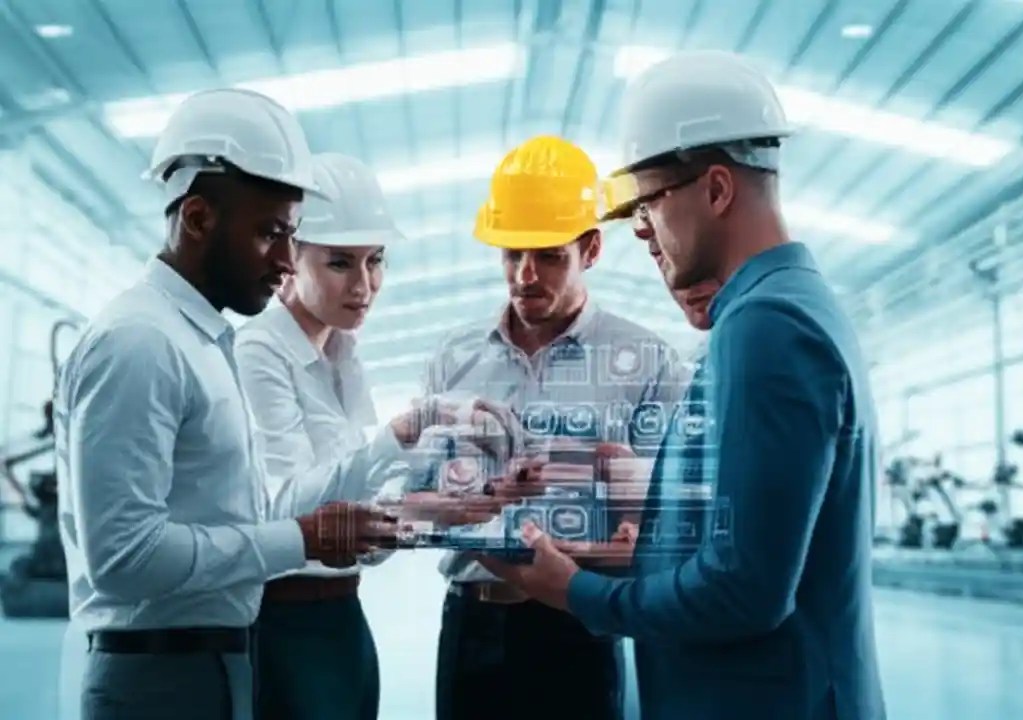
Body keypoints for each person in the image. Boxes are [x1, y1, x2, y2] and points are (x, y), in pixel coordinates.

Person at [478, 50, 888, 720]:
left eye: (648, 203)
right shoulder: (782, 309)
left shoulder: (769, 327)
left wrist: (574, 590)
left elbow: (743, 590)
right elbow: (738, 541)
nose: (641, 229)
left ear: (717, 190)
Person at [54, 88, 398, 720]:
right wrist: (300, 540)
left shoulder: (204, 343)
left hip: (214, 661)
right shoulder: (140, 343)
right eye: (269, 233)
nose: (285, 260)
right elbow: (125, 559)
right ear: (197, 217)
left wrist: (351, 523)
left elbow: (234, 511)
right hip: (157, 676)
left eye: (292, 236)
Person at [421, 135, 685, 720]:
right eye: (511, 254)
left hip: (581, 625)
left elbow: (664, 521)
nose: (524, 275)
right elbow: (428, 492)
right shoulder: (454, 358)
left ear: (590, 248)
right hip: (474, 623)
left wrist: (593, 553)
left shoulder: (646, 360)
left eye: (547, 255)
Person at [233, 152, 497, 719]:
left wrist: (445, 509)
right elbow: (286, 507)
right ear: (290, 257)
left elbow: (362, 508)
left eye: (376, 261)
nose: (365, 285)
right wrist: (407, 427)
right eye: (340, 263)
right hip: (283, 625)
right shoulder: (258, 353)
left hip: (345, 619)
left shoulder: (345, 356)